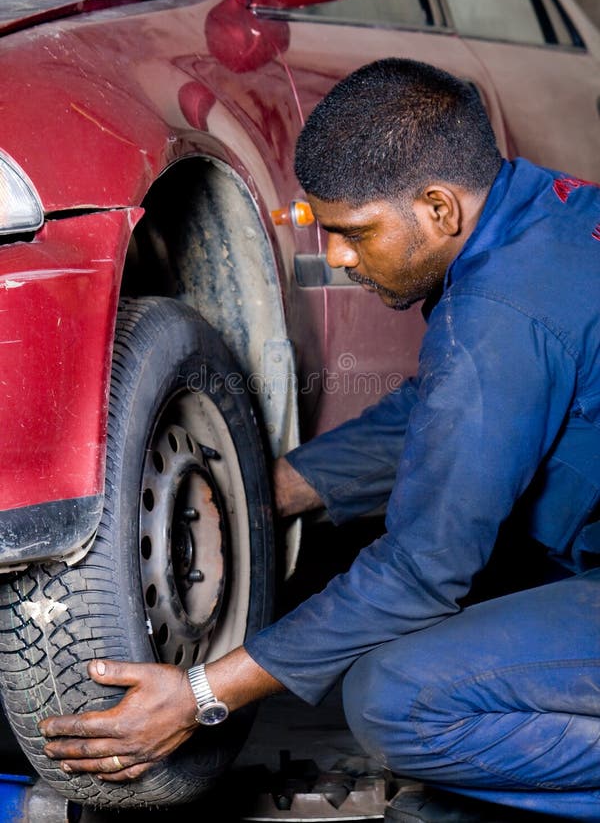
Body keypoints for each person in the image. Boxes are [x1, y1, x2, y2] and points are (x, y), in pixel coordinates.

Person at [38, 59, 600, 822]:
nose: (335, 257)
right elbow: (442, 416)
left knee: (397, 701)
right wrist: (277, 487)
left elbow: (421, 571)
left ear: (438, 208)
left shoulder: (500, 314)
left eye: (352, 232)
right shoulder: (543, 216)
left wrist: (202, 695)